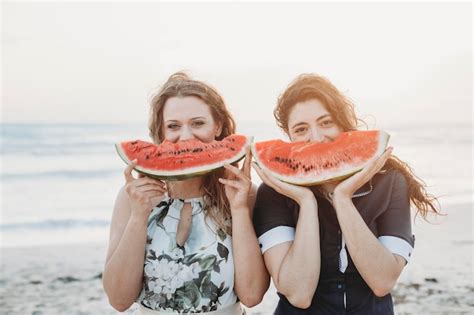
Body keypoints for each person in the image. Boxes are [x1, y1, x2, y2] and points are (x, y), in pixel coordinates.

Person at [252, 74, 440, 314]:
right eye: (301, 129)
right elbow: (298, 293)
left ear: (343, 122)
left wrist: (343, 199)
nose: (317, 138)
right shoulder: (274, 192)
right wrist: (306, 202)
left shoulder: (390, 182)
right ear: (289, 138)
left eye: (326, 122)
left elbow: (382, 281)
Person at [103, 72, 269, 314]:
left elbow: (252, 295)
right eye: (173, 126)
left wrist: (240, 210)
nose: (186, 137)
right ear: (161, 132)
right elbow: (118, 300)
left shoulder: (245, 195)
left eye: (198, 123)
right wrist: (139, 216)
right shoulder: (134, 198)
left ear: (218, 126)